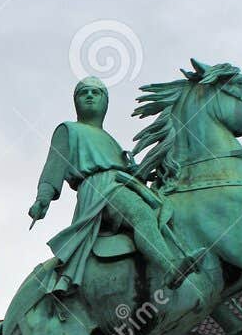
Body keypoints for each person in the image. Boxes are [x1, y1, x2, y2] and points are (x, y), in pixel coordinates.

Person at [30, 76, 203, 294]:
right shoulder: (68, 130)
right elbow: (53, 167)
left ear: (106, 103)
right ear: (75, 102)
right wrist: (42, 198)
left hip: (124, 184)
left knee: (168, 213)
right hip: (99, 188)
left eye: (96, 92)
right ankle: (170, 269)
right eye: (84, 93)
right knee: (140, 214)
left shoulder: (110, 139)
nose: (90, 96)